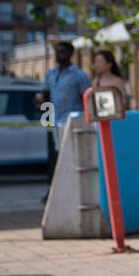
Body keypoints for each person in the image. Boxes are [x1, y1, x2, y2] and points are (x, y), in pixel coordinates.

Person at [36, 41, 91, 184]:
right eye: (58, 52)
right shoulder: (51, 74)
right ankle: (54, 187)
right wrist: (45, 116)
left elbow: (87, 97)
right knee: (55, 158)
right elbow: (45, 95)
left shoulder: (78, 75)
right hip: (54, 122)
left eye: (63, 52)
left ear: (70, 54)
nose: (60, 55)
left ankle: (72, 185)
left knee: (71, 156)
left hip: (71, 121)